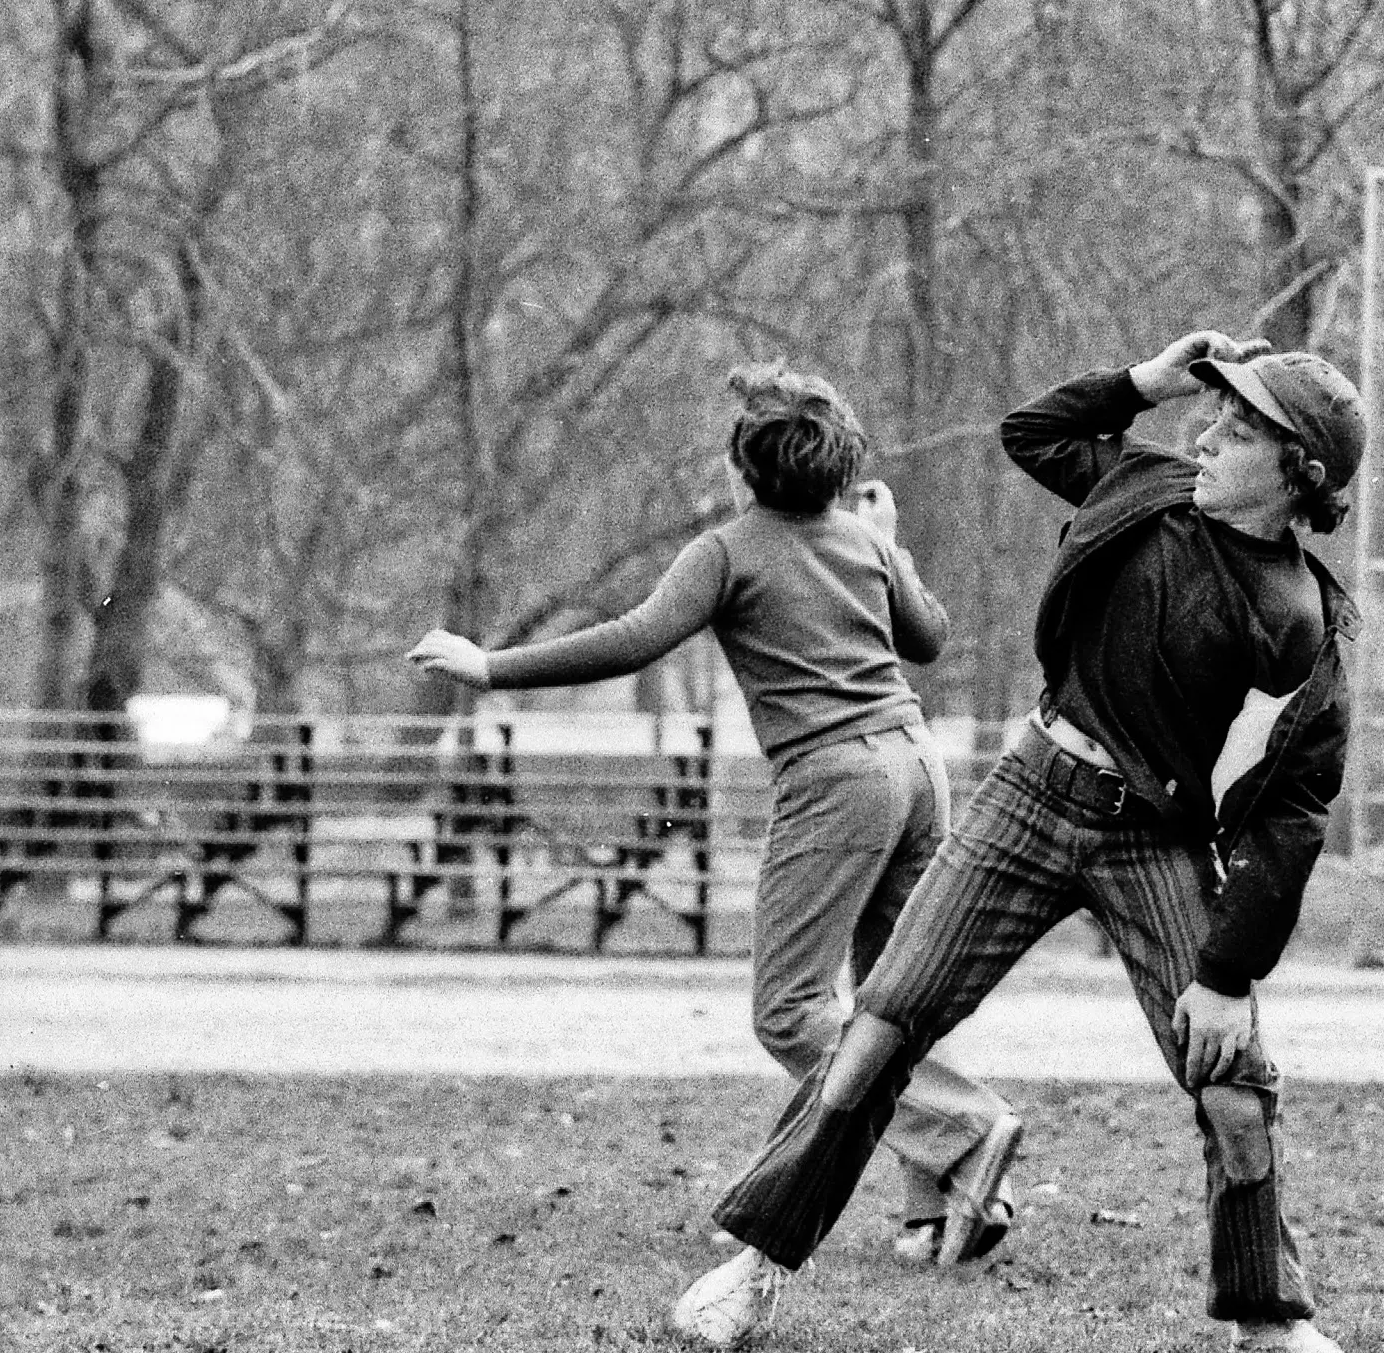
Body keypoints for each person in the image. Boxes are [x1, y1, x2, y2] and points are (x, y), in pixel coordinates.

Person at [668, 332, 1365, 1353]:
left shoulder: (1298, 619)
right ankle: (755, 1270)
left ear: (1299, 471)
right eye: (1212, 415)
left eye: (1240, 428)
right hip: (1025, 796)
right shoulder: (1145, 484)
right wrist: (1144, 382)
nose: (1208, 435)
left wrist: (1226, 975)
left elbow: (1290, 818)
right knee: (875, 1036)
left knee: (1232, 1085)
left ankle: (1271, 1319)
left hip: (1150, 842)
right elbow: (1031, 432)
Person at [406, 362, 1023, 1268]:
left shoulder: (728, 550)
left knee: (788, 1010)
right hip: (917, 761)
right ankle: (934, 1213)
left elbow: (636, 638)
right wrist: (890, 545)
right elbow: (927, 639)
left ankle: (966, 1122)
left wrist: (490, 666)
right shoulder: (861, 539)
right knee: (896, 1000)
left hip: (838, 778)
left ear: (746, 470)